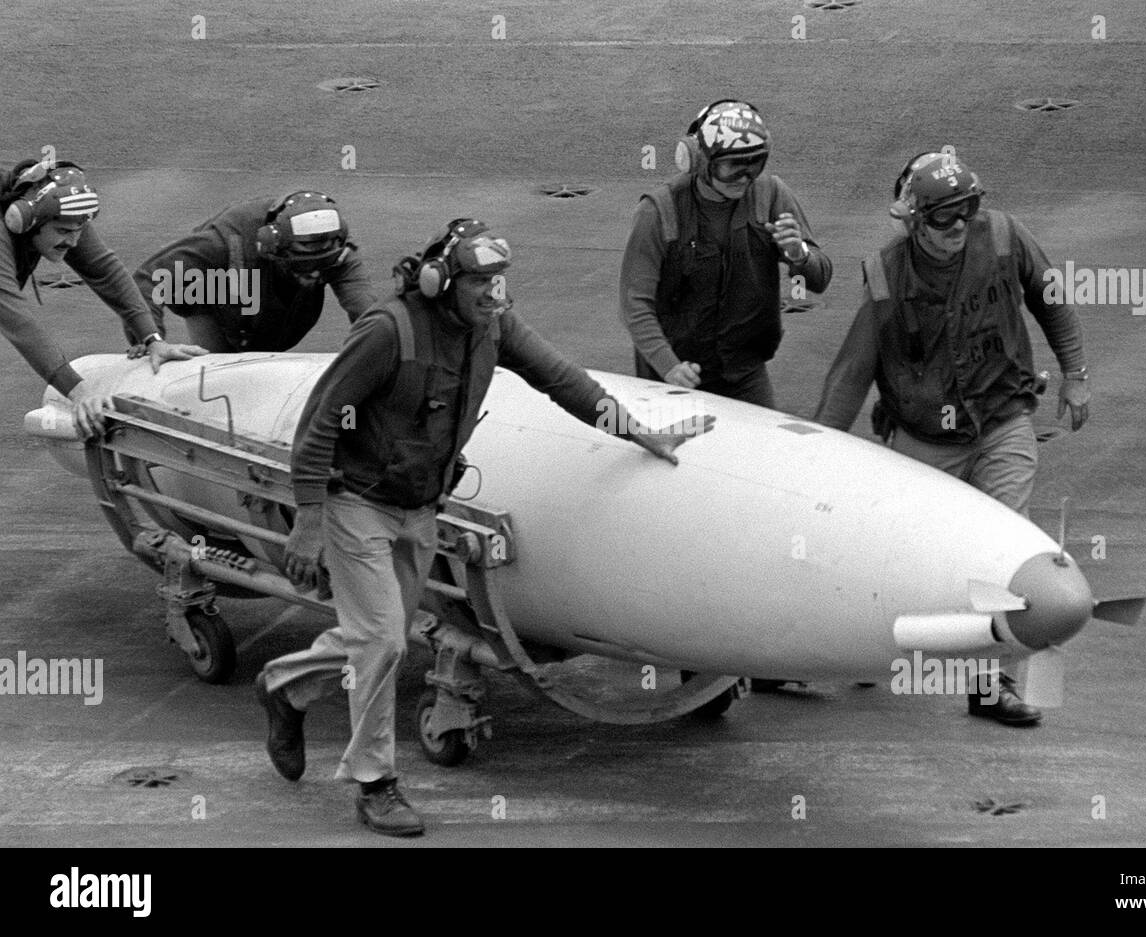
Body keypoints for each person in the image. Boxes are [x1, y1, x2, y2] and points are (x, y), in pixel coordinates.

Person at [255, 218, 712, 837]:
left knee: (374, 637)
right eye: (482, 282)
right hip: (355, 500)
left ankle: (284, 688)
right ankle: (375, 785)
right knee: (385, 641)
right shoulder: (388, 331)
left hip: (421, 506)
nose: (494, 294)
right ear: (440, 279)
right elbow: (318, 423)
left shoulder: (492, 327)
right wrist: (308, 516)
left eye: (501, 281)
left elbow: (563, 381)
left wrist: (637, 430)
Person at [814, 151, 1092, 726]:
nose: (959, 226)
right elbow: (852, 371)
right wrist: (818, 450)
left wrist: (1077, 376)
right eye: (944, 217)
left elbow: (1053, 301)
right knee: (889, 554)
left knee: (1002, 554)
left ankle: (991, 687)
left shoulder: (1008, 239)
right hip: (924, 438)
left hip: (1002, 420)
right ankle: (858, 647)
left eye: (967, 211)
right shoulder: (888, 274)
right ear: (915, 221)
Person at [620, 99, 832, 409]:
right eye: (732, 166)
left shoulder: (771, 195)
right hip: (671, 377)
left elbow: (819, 278)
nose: (745, 178)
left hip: (743, 375)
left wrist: (798, 254)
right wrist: (669, 367)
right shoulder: (658, 212)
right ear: (699, 160)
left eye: (755, 164)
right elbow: (635, 303)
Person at [0, 157, 206, 437]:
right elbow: (18, 320)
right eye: (63, 232)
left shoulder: (54, 211)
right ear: (22, 221)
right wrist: (81, 392)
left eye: (79, 231)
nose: (72, 242)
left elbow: (105, 270)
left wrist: (153, 339)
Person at [133, 190, 374, 352]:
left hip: (277, 314)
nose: (314, 275)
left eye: (322, 270)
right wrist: (151, 341)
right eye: (304, 267)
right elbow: (148, 279)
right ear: (273, 245)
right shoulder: (225, 241)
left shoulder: (335, 251)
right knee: (218, 372)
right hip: (214, 293)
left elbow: (368, 314)